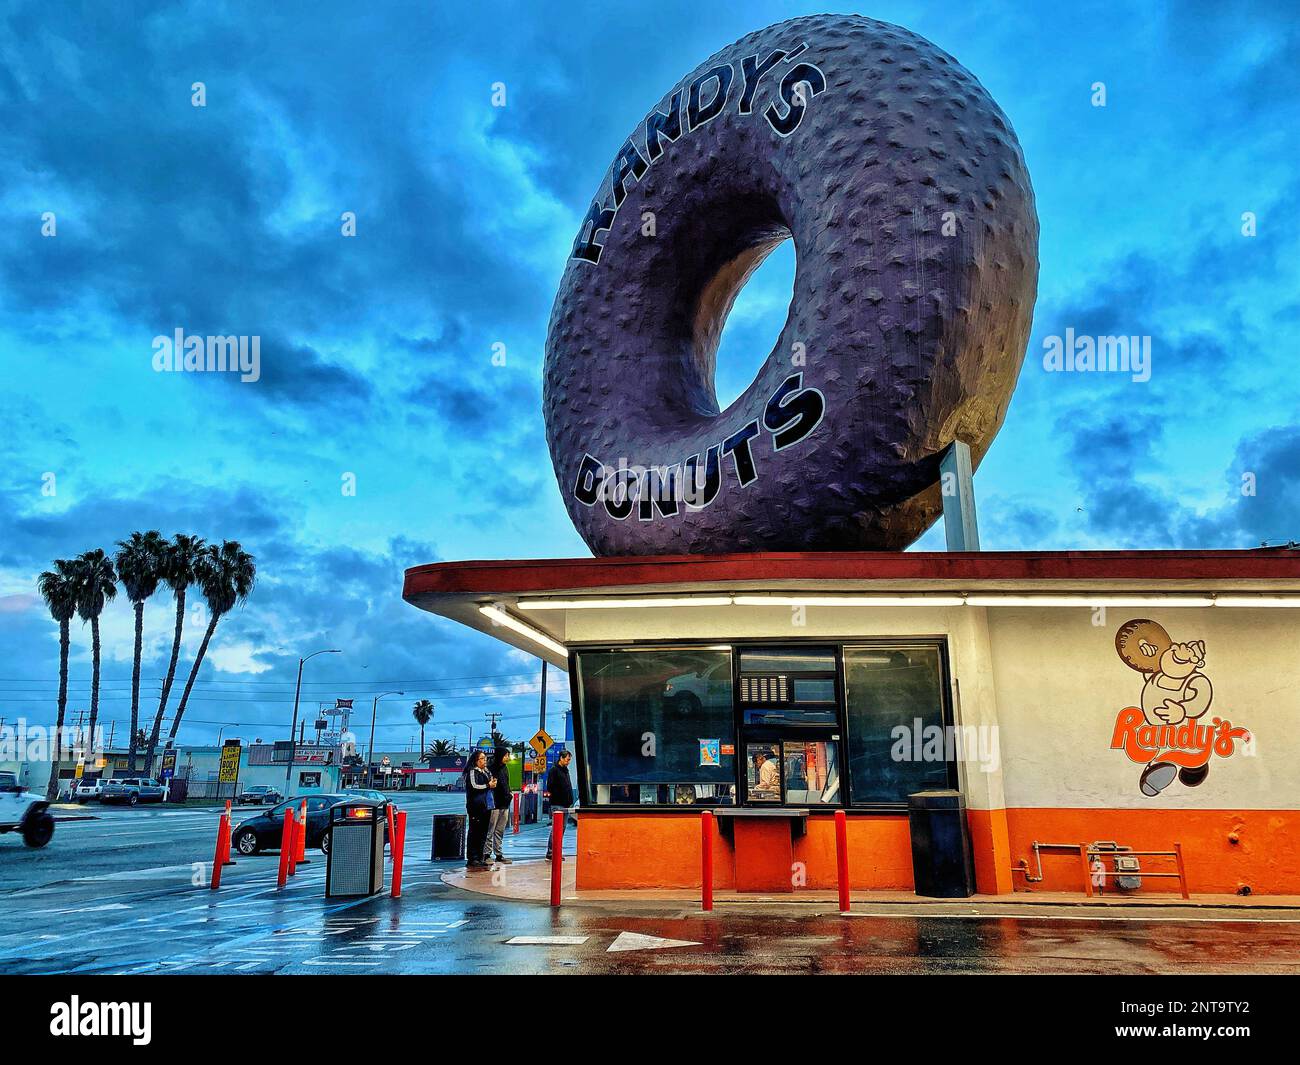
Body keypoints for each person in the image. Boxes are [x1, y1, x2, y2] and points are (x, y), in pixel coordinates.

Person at [463, 750, 494, 869]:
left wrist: (491, 782)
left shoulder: (486, 771)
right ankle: (472, 857)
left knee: (483, 832)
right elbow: (474, 786)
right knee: (474, 832)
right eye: (481, 759)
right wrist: (487, 786)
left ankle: (480, 856)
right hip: (475, 806)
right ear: (476, 760)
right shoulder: (472, 772)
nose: (484, 761)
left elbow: (491, 780)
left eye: (485, 758)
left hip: (486, 805)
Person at [484, 746, 514, 865]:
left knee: (500, 830)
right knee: (491, 829)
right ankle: (486, 854)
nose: (507, 758)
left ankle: (499, 854)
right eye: (506, 755)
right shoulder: (491, 769)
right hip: (495, 804)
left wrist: (509, 794)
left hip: (505, 804)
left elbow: (506, 783)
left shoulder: (505, 768)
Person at [543, 750, 574, 860]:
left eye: (569, 760)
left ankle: (556, 851)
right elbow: (550, 786)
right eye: (567, 759)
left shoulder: (565, 770)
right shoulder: (554, 770)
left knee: (562, 829)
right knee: (557, 829)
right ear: (561, 758)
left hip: (565, 804)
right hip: (557, 804)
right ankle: (551, 852)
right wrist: (561, 796)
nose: (568, 762)